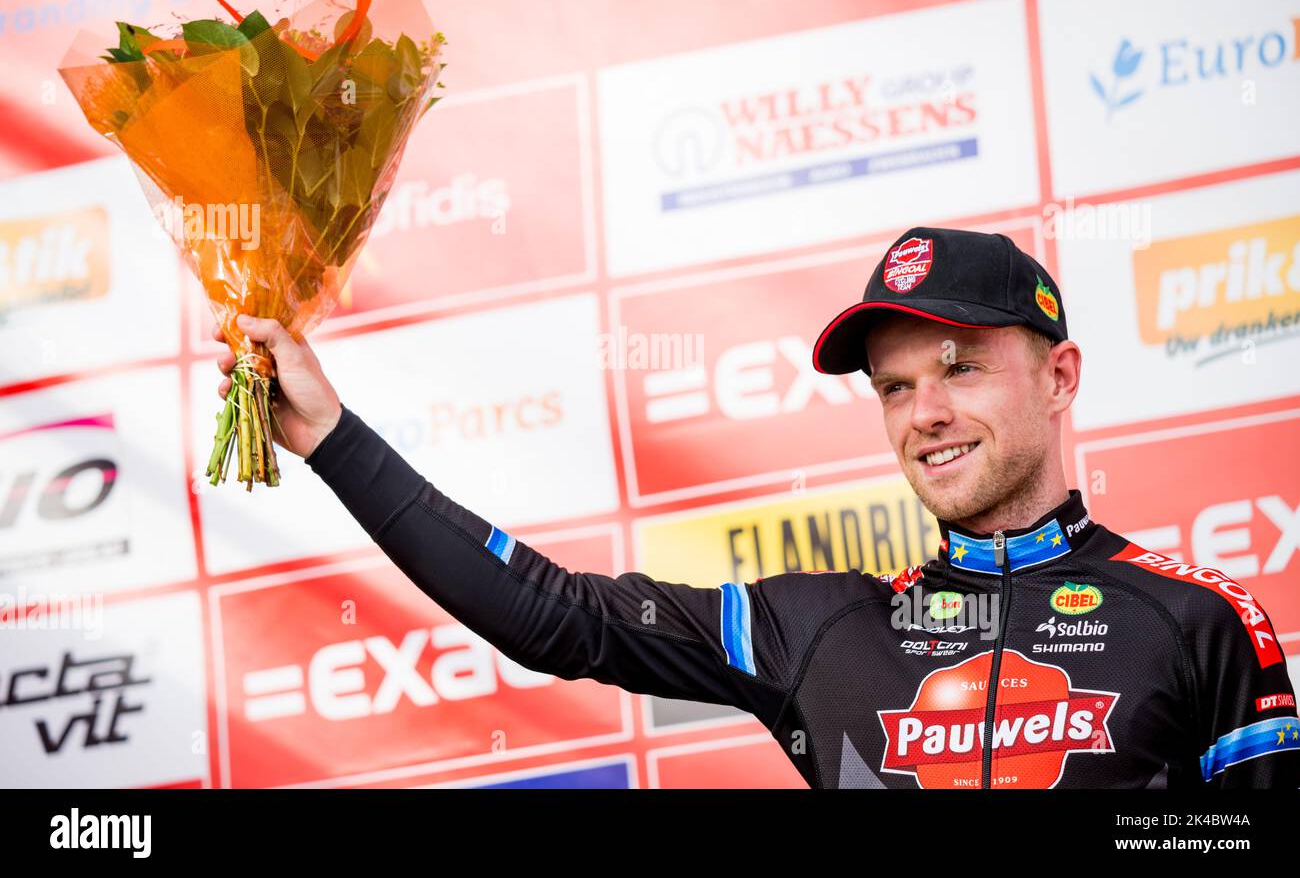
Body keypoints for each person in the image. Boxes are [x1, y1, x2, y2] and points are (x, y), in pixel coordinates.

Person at [216, 226, 1299, 789]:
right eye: (894, 386)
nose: (924, 411)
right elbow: (553, 615)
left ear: (1060, 378)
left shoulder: (1201, 621)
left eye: (960, 368)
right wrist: (329, 438)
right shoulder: (817, 627)